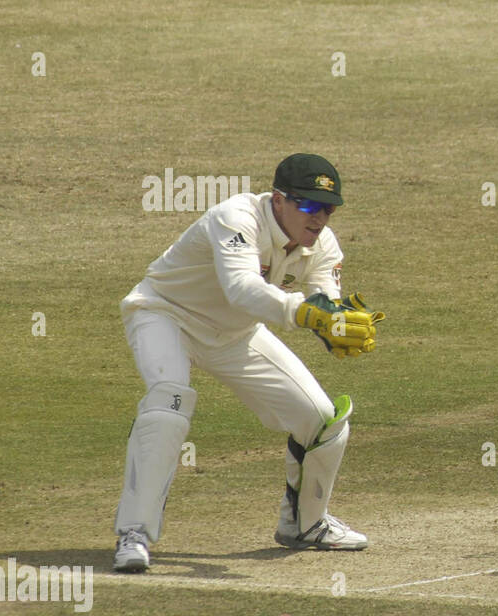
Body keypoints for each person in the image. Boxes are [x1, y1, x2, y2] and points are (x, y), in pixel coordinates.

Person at [112, 153, 384, 573]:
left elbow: (325, 305)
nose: (320, 217)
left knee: (322, 419)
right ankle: (134, 533)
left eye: (329, 208)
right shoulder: (236, 218)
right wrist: (305, 313)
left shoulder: (322, 244)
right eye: (309, 205)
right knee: (169, 403)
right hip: (165, 314)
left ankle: (305, 525)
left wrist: (336, 325)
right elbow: (240, 288)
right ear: (278, 200)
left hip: (235, 334)